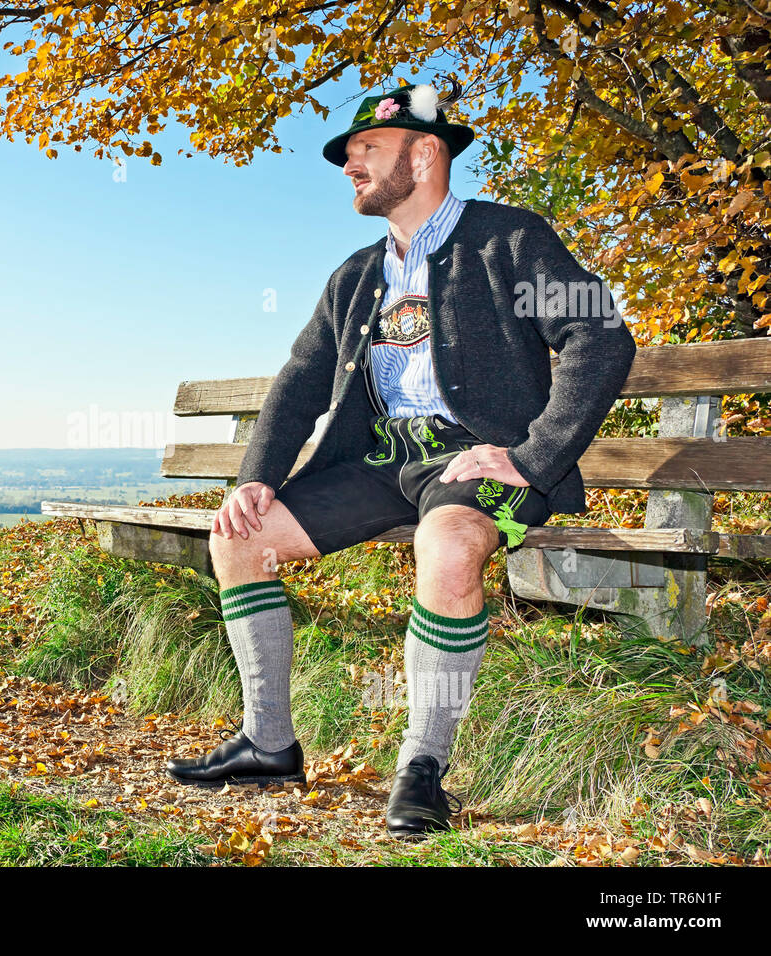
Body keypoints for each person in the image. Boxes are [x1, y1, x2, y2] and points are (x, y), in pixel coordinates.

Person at [164, 80, 637, 840]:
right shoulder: (355, 276)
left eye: (367, 151)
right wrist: (254, 478)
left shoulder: (509, 242)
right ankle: (269, 743)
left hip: (475, 466)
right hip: (384, 461)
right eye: (347, 157)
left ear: (425, 154)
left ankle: (421, 767)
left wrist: (534, 454)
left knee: (446, 548)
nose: (350, 167)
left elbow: (601, 338)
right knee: (238, 537)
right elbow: (300, 382)